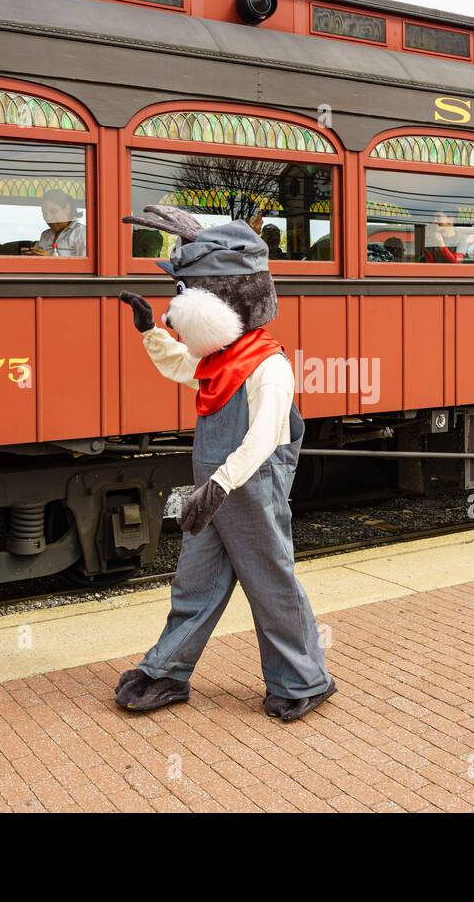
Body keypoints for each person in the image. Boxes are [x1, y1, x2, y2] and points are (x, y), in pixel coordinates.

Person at [113, 203, 337, 722]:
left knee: (270, 582)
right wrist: (151, 332)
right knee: (195, 582)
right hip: (213, 491)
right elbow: (181, 365)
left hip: (247, 488)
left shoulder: (268, 366)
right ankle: (167, 671)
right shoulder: (222, 361)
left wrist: (217, 487)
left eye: (186, 296)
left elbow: (263, 438)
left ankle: (303, 679)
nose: (177, 308)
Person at [25, 189, 86, 257]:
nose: (48, 218)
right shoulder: (45, 235)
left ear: (67, 209)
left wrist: (51, 258)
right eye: (44, 213)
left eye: (53, 211)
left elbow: (86, 266)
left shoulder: (81, 233)